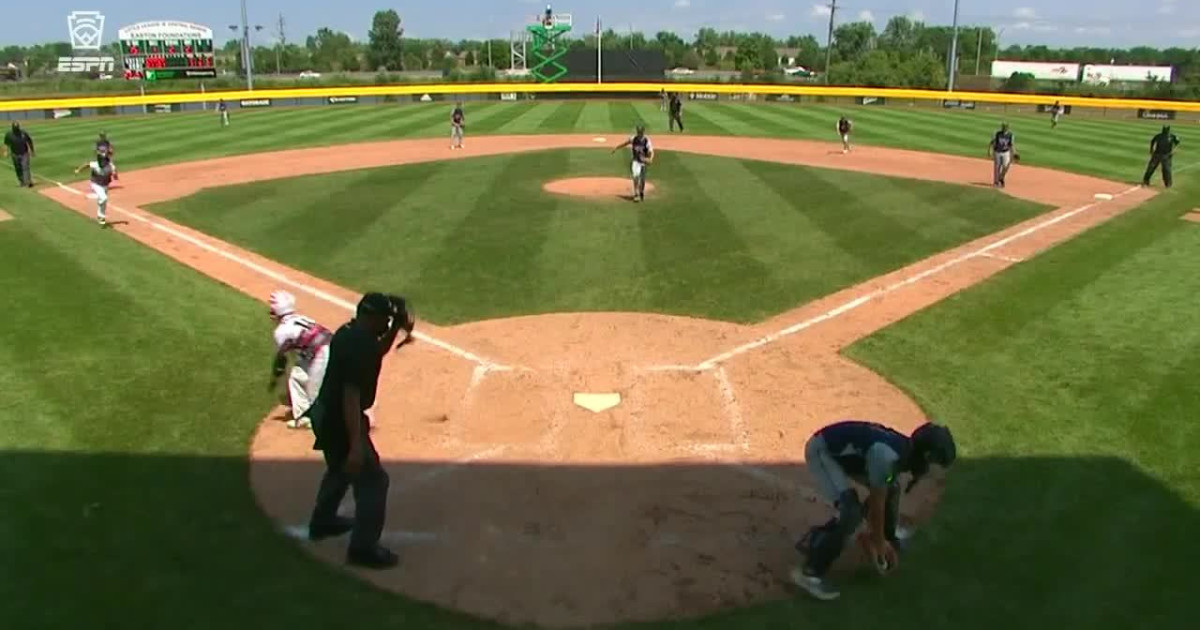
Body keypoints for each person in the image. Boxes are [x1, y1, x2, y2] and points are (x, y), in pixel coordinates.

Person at [306, 292, 415, 569]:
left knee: (339, 470)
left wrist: (393, 330)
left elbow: (376, 350)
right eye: (385, 319)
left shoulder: (350, 331)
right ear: (372, 316)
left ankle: (323, 521)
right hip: (341, 420)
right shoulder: (359, 345)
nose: (387, 323)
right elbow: (350, 397)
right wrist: (356, 445)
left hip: (326, 414)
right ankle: (363, 548)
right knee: (374, 481)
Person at [791, 420, 957, 601]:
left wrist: (881, 538)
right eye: (938, 463)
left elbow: (884, 489)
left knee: (891, 488)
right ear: (927, 456)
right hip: (823, 453)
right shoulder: (886, 457)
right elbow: (877, 505)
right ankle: (810, 572)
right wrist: (879, 544)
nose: (937, 472)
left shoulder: (904, 451)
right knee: (851, 512)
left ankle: (886, 537)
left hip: (849, 455)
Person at [267, 290, 333, 430]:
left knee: (314, 390)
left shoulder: (281, 331)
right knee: (297, 376)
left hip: (322, 354)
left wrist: (274, 378)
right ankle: (303, 416)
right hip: (331, 346)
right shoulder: (301, 318)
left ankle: (319, 420)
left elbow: (281, 359)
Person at [611, 124, 654, 202]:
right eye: (638, 131)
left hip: (643, 161)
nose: (639, 133)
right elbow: (625, 143)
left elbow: (651, 151)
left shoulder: (646, 140)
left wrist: (650, 159)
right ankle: (636, 194)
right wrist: (616, 147)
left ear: (643, 132)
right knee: (636, 176)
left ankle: (641, 192)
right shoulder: (633, 138)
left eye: (640, 132)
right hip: (635, 161)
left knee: (643, 179)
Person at [73, 153, 114, 227]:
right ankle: (101, 216)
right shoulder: (95, 164)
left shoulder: (110, 165)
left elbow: (113, 172)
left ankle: (100, 216)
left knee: (103, 201)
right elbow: (86, 165)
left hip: (105, 185)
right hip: (95, 184)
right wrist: (78, 170)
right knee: (104, 198)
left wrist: (114, 174)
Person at [1142, 125, 1181, 189]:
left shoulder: (1172, 136)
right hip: (1157, 154)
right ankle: (1146, 180)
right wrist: (1151, 150)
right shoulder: (1158, 136)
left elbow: (1177, 142)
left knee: (1166, 169)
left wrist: (1174, 150)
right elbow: (1152, 141)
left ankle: (1168, 184)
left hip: (1167, 155)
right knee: (1151, 167)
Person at [2, 122, 35, 188]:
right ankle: (22, 181)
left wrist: (32, 151)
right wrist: (5, 152)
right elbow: (6, 144)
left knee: (25, 167)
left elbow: (29, 141)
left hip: (24, 153)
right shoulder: (9, 135)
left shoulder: (23, 133)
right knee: (18, 168)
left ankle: (27, 182)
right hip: (15, 154)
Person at [988, 122, 1018, 189]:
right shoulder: (998, 134)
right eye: (1003, 127)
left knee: (1006, 166)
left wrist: (1015, 152)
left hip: (1006, 152)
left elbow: (1012, 145)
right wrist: (990, 150)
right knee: (997, 167)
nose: (1004, 128)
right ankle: (996, 182)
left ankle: (1001, 177)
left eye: (1006, 127)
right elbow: (992, 142)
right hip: (997, 152)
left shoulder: (1010, 135)